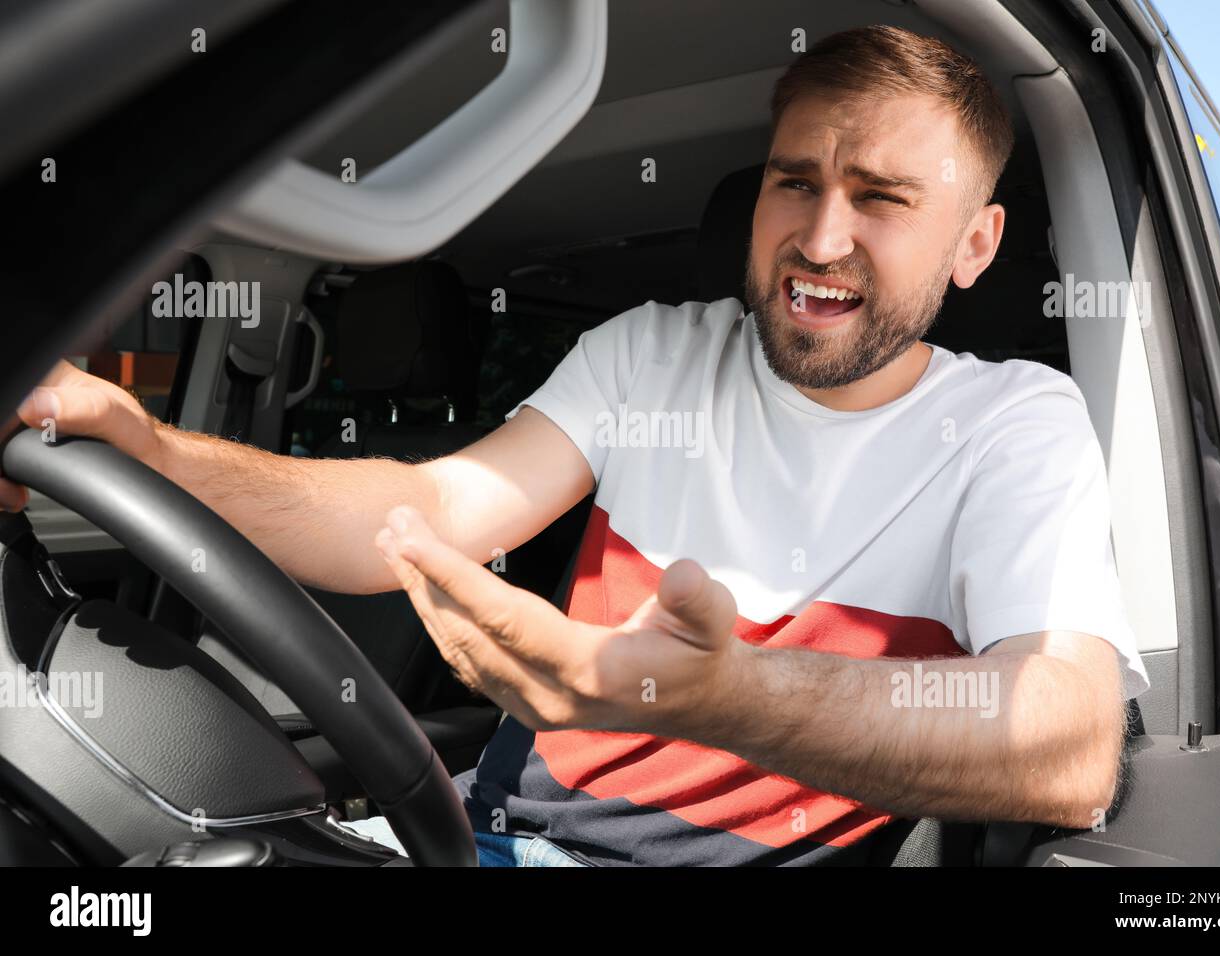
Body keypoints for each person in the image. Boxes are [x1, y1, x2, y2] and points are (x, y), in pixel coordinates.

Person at [1, 26, 1148, 867]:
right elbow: (428, 509)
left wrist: (726, 695)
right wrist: (148, 442)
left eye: (882, 197)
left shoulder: (1012, 424)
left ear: (975, 243)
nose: (820, 234)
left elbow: (1066, 736)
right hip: (470, 833)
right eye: (795, 180)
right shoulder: (652, 350)